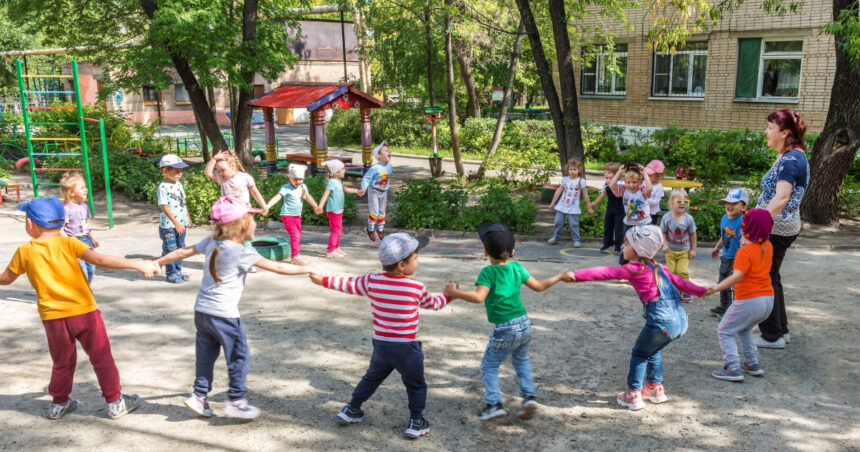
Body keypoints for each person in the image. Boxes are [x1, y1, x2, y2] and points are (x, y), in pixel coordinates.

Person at [158, 196, 316, 419]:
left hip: (202, 312)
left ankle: (199, 396)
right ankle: (236, 400)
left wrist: (156, 263)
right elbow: (279, 268)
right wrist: (308, 269)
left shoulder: (212, 242)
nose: (255, 223)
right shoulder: (242, 252)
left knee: (205, 355)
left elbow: (182, 252)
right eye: (253, 219)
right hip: (225, 316)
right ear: (243, 223)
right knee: (239, 356)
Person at [0, 197, 157, 420]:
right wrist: (137, 263)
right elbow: (101, 260)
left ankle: (59, 403)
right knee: (101, 357)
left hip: (53, 318)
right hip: (85, 313)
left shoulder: (24, 251)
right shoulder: (70, 243)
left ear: (30, 223)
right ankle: (115, 402)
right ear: (63, 222)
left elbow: (6, 279)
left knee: (61, 362)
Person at [309, 233, 450, 439]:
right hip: (406, 348)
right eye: (416, 257)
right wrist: (449, 296)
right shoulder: (416, 287)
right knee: (416, 384)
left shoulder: (371, 281)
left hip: (382, 347)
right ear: (402, 265)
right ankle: (416, 421)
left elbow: (346, 284)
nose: (417, 261)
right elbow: (434, 304)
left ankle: (352, 409)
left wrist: (322, 280)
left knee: (371, 378)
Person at [570, 225, 707, 411]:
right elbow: (682, 283)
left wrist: (576, 275)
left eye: (626, 243)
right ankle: (654, 388)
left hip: (661, 323)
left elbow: (605, 272)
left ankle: (633, 394)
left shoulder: (634, 269)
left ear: (638, 250)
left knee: (640, 353)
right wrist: (702, 291)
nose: (622, 246)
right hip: (681, 321)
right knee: (653, 350)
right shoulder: (660, 268)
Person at [444, 222, 572, 421]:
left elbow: (479, 297)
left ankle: (494, 404)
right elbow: (539, 286)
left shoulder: (488, 273)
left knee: (489, 366)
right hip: (525, 324)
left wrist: (456, 293)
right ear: (513, 251)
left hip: (506, 328)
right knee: (521, 360)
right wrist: (559, 276)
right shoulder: (517, 268)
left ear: (485, 252)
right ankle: (529, 397)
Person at [755, 109, 810, 349]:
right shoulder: (792, 156)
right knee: (772, 277)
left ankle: (771, 335)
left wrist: (756, 226)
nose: (766, 131)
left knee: (763, 279)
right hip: (780, 228)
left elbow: (781, 198)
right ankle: (780, 330)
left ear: (785, 132)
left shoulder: (790, 160)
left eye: (770, 128)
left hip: (775, 230)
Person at [706, 209, 775, 381]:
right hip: (768, 300)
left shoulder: (744, 252)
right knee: (744, 329)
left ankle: (732, 367)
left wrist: (715, 288)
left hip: (749, 300)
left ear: (745, 228)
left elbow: (736, 276)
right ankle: (752, 363)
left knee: (724, 330)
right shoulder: (768, 246)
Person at [265, 164, 320, 266]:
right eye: (295, 179)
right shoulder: (286, 188)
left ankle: (296, 255)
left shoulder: (303, 187)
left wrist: (316, 206)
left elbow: (307, 197)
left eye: (300, 179)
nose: (298, 182)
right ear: (289, 177)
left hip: (297, 215)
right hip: (287, 215)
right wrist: (267, 206)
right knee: (295, 234)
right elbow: (277, 197)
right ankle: (295, 256)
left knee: (298, 235)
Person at [709, 188, 748, 318]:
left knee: (732, 285)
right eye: (727, 202)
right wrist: (717, 247)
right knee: (722, 282)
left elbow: (747, 238)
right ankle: (724, 306)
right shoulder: (724, 218)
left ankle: (732, 311)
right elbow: (724, 235)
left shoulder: (744, 221)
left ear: (744, 207)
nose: (730, 206)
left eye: (735, 203)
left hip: (738, 259)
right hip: (725, 257)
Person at [157, 154, 192, 284]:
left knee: (180, 248)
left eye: (181, 170)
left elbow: (183, 202)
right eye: (176, 171)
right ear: (165, 171)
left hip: (181, 224)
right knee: (170, 249)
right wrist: (176, 223)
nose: (180, 173)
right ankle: (171, 274)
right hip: (169, 226)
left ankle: (178, 272)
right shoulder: (162, 187)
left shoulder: (179, 185)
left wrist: (187, 218)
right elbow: (165, 207)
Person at [315, 159, 360, 259]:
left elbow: (345, 189)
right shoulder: (332, 182)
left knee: (338, 230)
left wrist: (356, 191)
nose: (345, 170)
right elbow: (325, 195)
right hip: (333, 210)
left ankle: (335, 247)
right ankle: (330, 250)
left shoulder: (338, 181)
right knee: (336, 230)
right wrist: (320, 207)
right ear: (336, 172)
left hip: (338, 209)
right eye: (343, 169)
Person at [609, 162, 653, 264]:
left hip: (644, 223)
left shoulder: (642, 191)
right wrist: (620, 172)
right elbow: (612, 185)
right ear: (625, 182)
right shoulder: (624, 190)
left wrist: (644, 173)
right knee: (627, 244)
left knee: (643, 246)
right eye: (628, 182)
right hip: (629, 223)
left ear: (640, 182)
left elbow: (649, 188)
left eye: (634, 182)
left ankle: (643, 265)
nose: (631, 185)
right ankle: (623, 265)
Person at [660, 189, 697, 303]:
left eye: (685, 201)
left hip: (684, 251)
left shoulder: (688, 219)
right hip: (670, 251)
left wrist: (693, 249)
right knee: (671, 272)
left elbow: (693, 234)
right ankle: (674, 291)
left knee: (681, 272)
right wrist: (664, 245)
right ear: (671, 203)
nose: (682, 204)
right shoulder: (666, 217)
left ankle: (686, 291)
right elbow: (663, 232)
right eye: (679, 201)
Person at [60, 173, 98, 283]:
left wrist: (92, 239)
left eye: (85, 187)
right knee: (82, 270)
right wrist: (69, 242)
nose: (86, 190)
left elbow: (85, 224)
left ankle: (85, 288)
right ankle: (82, 290)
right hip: (74, 241)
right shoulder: (66, 208)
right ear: (71, 192)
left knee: (91, 269)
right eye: (82, 188)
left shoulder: (84, 206)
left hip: (86, 240)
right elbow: (60, 229)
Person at [203, 150, 268, 213]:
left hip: (243, 210)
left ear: (232, 166)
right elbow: (207, 172)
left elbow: (255, 192)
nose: (220, 173)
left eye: (223, 170)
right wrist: (214, 158)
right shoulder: (222, 178)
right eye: (218, 170)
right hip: (228, 210)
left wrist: (264, 206)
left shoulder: (245, 177)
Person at [547, 157, 593, 247]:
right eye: (570, 169)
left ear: (579, 170)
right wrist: (552, 203)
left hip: (573, 206)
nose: (572, 171)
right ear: (568, 170)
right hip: (562, 205)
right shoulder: (565, 179)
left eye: (574, 169)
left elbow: (586, 195)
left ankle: (576, 240)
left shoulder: (581, 181)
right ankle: (556, 237)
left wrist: (589, 207)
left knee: (573, 224)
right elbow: (558, 191)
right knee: (558, 222)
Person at [357, 141, 392, 241]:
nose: (389, 152)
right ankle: (370, 229)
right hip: (374, 191)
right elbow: (366, 178)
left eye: (389, 150)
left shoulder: (390, 166)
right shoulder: (375, 167)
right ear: (379, 155)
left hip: (384, 192)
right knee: (374, 211)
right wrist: (363, 188)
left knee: (382, 212)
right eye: (386, 150)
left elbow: (387, 177)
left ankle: (380, 230)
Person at [588, 162, 625, 253]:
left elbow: (617, 194)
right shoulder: (606, 183)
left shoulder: (620, 183)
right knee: (608, 225)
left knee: (618, 227)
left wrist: (610, 184)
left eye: (609, 173)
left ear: (616, 174)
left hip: (620, 208)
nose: (606, 174)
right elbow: (603, 194)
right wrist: (594, 203)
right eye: (605, 172)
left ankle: (618, 245)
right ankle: (608, 243)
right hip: (610, 207)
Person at [645, 160, 666, 225]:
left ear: (658, 175)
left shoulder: (659, 187)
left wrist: (644, 199)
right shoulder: (643, 182)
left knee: (650, 230)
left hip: (652, 214)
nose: (647, 177)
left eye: (650, 175)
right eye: (646, 174)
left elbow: (656, 202)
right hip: (642, 212)